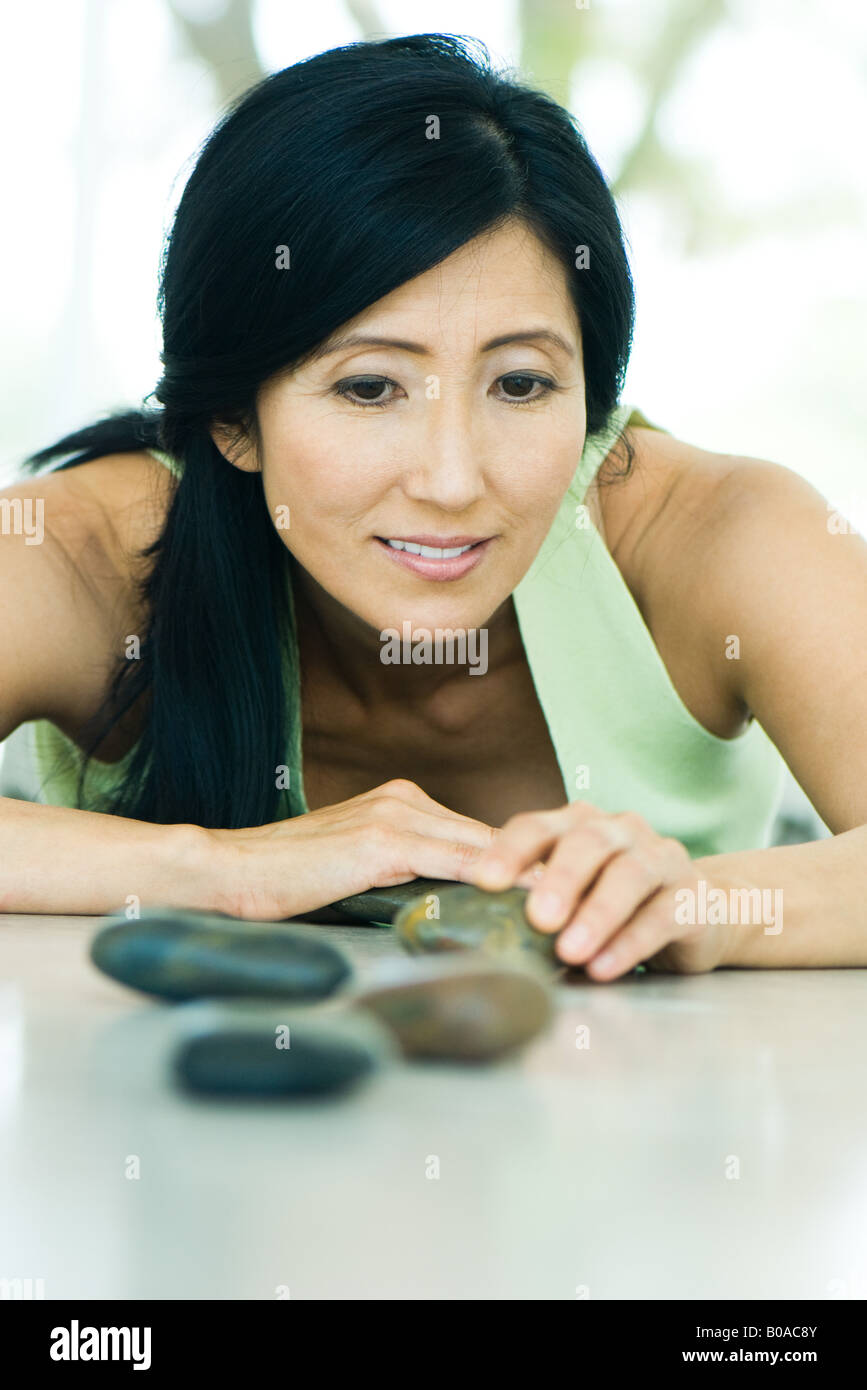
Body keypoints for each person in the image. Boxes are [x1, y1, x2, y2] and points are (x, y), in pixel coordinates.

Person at [1, 34, 865, 980]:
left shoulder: (718, 535)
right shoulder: (89, 554)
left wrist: (710, 910)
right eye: (370, 388)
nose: (453, 481)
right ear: (231, 419)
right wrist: (218, 865)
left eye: (523, 384)